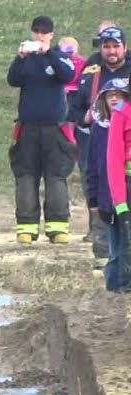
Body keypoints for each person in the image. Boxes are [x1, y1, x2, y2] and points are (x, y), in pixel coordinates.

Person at [8, 15, 78, 244]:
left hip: (54, 129)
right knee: (26, 177)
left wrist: (49, 53)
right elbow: (12, 80)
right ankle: (26, 228)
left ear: (51, 35)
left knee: (55, 176)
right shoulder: (26, 58)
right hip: (27, 128)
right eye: (36, 31)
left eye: (43, 32)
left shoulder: (58, 56)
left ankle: (58, 228)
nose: (39, 36)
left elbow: (68, 74)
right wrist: (19, 58)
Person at [72, 25, 129, 263]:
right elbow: (73, 108)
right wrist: (84, 117)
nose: (112, 51)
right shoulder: (91, 73)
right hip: (98, 144)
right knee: (98, 195)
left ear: (125, 47)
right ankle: (103, 255)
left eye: (116, 46)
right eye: (107, 47)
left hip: (126, 147)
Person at [84, 77, 128, 291]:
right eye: (110, 95)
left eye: (119, 96)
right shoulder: (99, 129)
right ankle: (113, 293)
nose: (114, 99)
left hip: (126, 193)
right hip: (107, 199)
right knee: (115, 251)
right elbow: (92, 166)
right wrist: (92, 199)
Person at [105, 85, 131, 291]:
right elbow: (114, 160)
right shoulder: (121, 112)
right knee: (127, 244)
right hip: (127, 189)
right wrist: (120, 204)